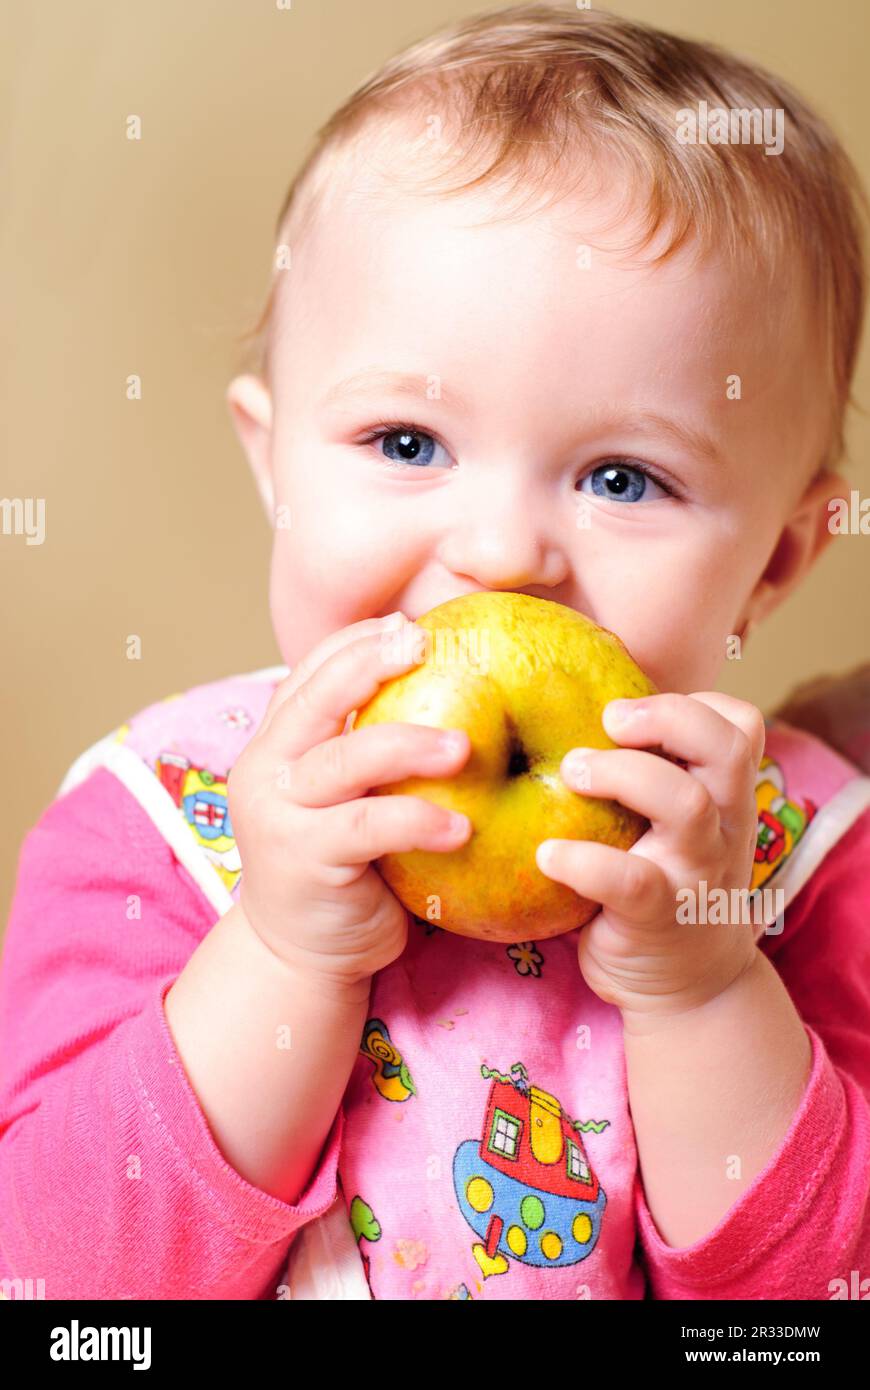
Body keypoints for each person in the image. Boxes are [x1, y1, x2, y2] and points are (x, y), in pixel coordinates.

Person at [2, 3, 870, 1301]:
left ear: (777, 561)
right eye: (406, 443)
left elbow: (818, 1295)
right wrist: (283, 949)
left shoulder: (801, 852)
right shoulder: (157, 819)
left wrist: (701, 987)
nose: (504, 554)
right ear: (273, 459)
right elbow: (66, 1280)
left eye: (624, 477)